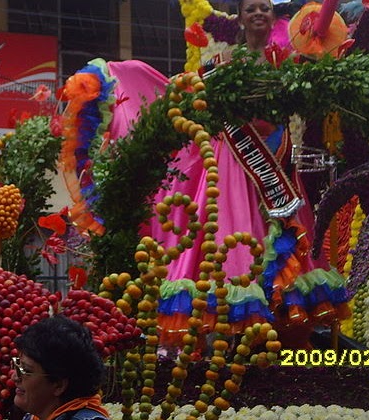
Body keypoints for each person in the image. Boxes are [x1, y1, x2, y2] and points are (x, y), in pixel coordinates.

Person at [147, 0, 350, 353]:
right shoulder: (221, 64)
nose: (258, 13)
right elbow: (203, 110)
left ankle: (279, 325)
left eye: (265, 8)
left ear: (272, 17)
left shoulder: (286, 62)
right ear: (240, 18)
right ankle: (232, 326)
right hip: (234, 161)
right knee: (234, 231)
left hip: (277, 156)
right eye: (251, 8)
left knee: (282, 231)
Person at [12, 316, 109, 420]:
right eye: (17, 364)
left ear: (59, 385)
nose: (14, 377)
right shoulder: (35, 416)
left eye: (26, 370)